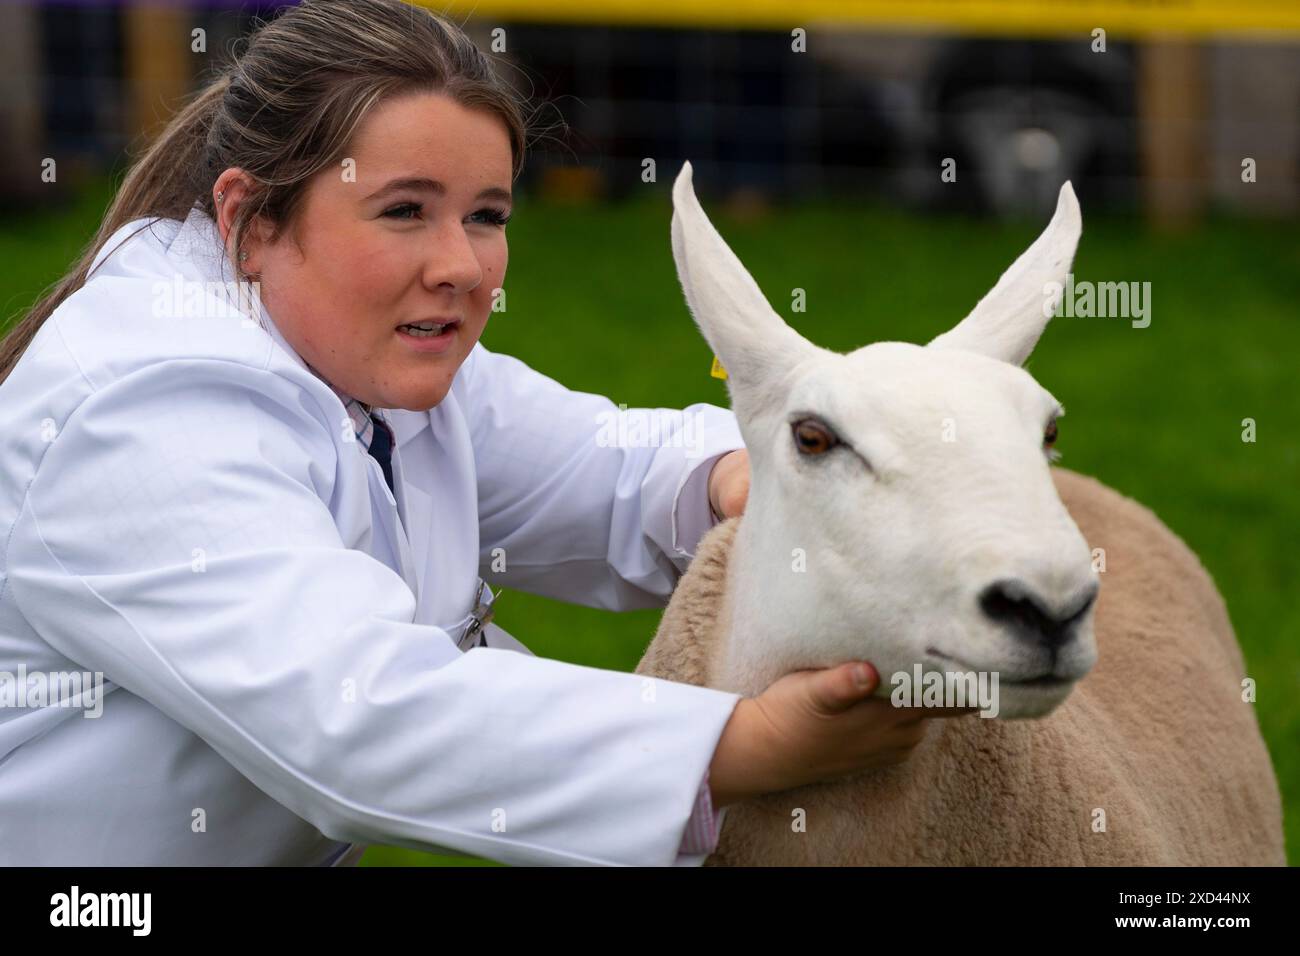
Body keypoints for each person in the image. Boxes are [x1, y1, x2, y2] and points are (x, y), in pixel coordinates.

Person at [0, 0, 965, 867]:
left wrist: (748, 479)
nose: (463, 266)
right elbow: (359, 718)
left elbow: (601, 467)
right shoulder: (139, 413)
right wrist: (740, 746)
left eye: (487, 214)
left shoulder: (359, 352)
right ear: (250, 221)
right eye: (405, 211)